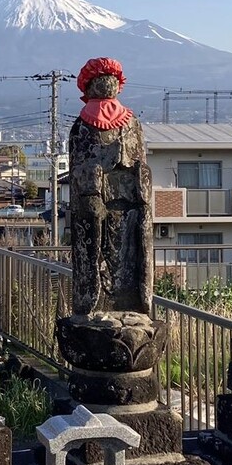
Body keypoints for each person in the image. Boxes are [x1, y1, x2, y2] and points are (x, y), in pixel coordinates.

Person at [69, 57, 151, 318]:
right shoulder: (82, 125)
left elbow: (142, 163)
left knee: (128, 252)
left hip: (128, 199)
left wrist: (137, 176)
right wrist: (93, 187)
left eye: (112, 79)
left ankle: (130, 302)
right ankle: (95, 302)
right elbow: (78, 167)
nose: (107, 84)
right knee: (96, 251)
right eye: (100, 80)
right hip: (98, 199)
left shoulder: (132, 122)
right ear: (89, 86)